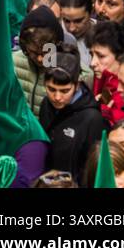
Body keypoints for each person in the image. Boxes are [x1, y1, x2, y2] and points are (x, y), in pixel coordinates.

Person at [38, 46, 105, 180]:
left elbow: (92, 169)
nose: (57, 97)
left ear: (77, 85)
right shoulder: (46, 104)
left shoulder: (92, 119)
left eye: (64, 91)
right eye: (51, 89)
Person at [89, 18, 124, 125]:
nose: (92, 63)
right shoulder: (99, 79)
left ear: (121, 56)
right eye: (91, 55)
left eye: (101, 56)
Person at [58, 0, 94, 70]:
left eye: (78, 21)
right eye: (66, 21)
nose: (71, 28)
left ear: (91, 12)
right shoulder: (51, 36)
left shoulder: (104, 35)